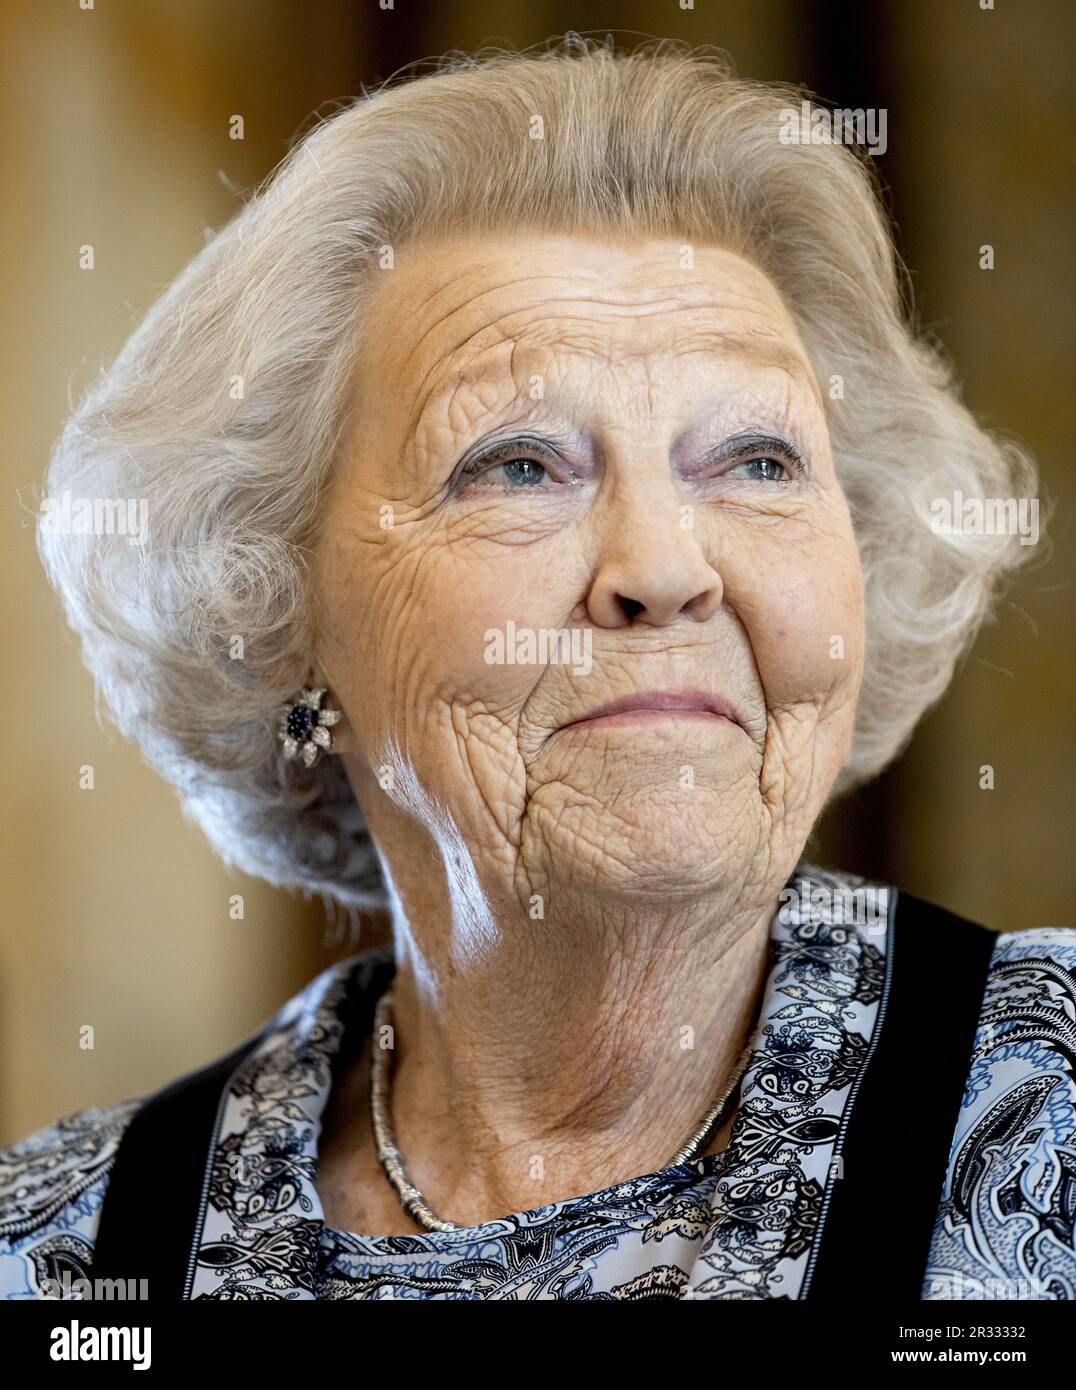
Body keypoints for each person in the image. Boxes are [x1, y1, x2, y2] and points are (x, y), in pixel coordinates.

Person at [3, 38, 1071, 1302]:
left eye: (755, 460)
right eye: (517, 465)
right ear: (272, 607)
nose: (665, 570)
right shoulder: (71, 1255)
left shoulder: (1041, 1109)